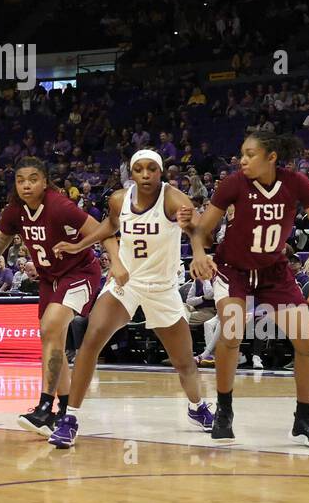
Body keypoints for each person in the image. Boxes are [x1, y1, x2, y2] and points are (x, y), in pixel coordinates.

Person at [44, 150, 213, 448]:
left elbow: (200, 232)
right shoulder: (119, 199)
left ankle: (196, 406)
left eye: (152, 169)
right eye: (139, 169)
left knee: (184, 361)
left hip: (162, 288)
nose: (145, 174)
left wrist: (198, 251)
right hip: (127, 283)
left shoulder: (174, 199)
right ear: (131, 173)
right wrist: (78, 246)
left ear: (161, 172)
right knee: (91, 341)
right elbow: (109, 227)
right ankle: (70, 419)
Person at [189, 130, 309, 446]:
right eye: (241, 153)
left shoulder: (296, 183)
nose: (242, 160)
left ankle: (304, 418)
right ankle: (224, 410)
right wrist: (199, 254)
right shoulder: (232, 184)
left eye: (250, 154)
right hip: (233, 269)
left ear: (271, 157)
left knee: (307, 342)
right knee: (231, 332)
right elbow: (200, 231)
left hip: (274, 272)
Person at [0, 157, 104, 437]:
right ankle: (63, 412)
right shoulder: (14, 211)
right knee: (52, 339)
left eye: (33, 179)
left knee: (50, 328)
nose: (26, 185)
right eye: (21, 180)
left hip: (80, 272)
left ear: (45, 182)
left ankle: (44, 407)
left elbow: (101, 230)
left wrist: (82, 249)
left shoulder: (60, 206)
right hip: (49, 279)